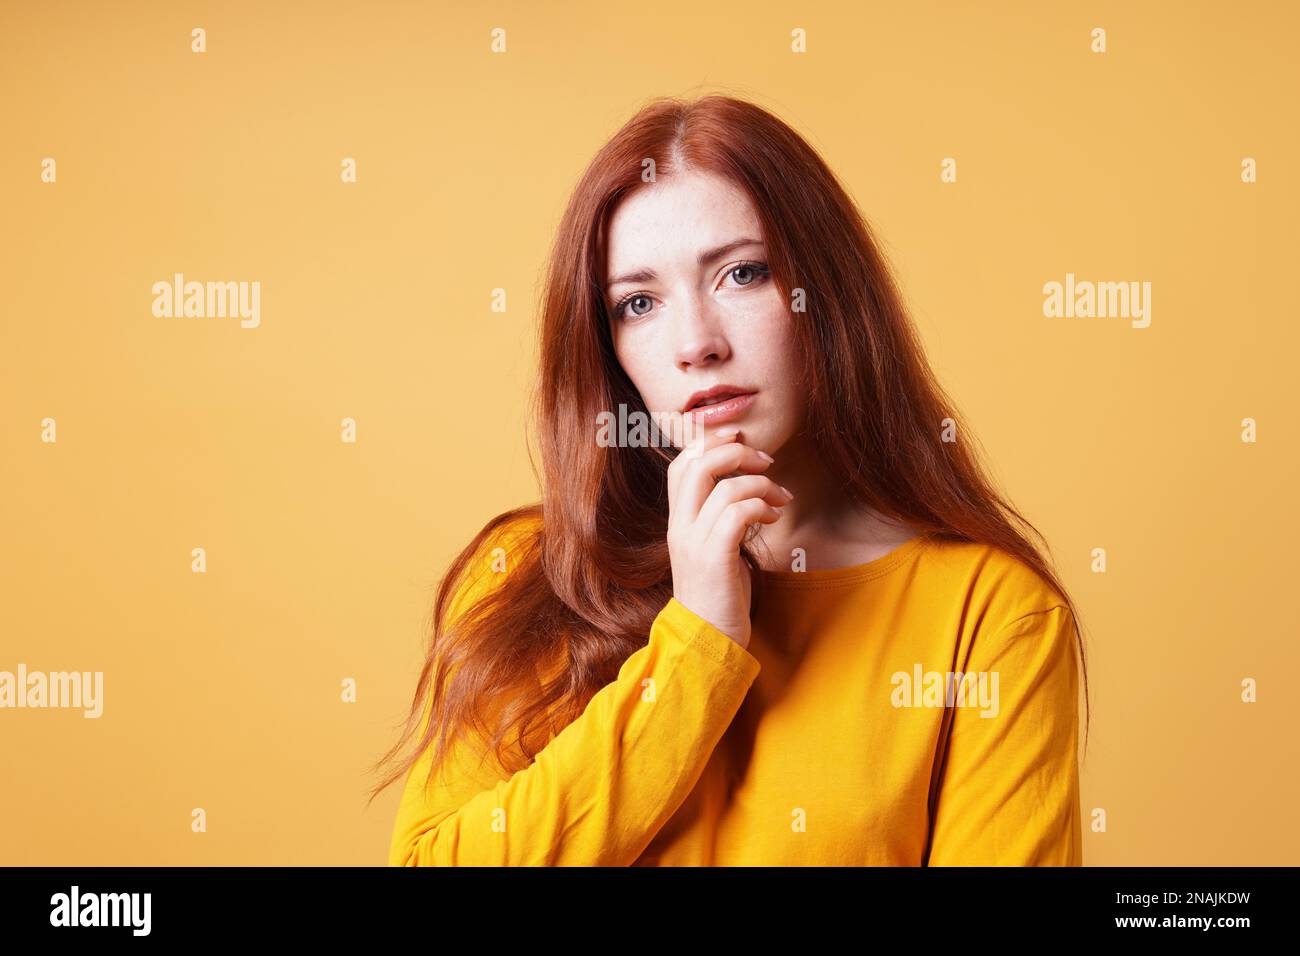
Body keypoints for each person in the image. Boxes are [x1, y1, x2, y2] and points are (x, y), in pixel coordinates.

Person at [371, 93, 1090, 866]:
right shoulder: (531, 574)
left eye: (742, 274)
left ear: (829, 296)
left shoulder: (990, 614)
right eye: (638, 303)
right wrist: (698, 644)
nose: (695, 344)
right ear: (608, 347)